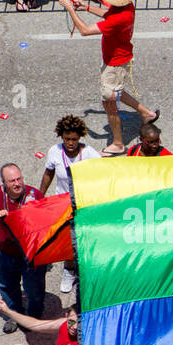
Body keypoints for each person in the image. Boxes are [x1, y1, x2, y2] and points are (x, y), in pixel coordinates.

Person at [59, 0, 160, 157]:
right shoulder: (126, 6)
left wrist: (70, 9)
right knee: (117, 91)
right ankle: (146, 114)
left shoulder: (120, 18)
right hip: (118, 59)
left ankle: (118, 143)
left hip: (115, 63)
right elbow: (108, 14)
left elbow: (85, 30)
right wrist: (86, 7)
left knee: (110, 102)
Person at [40, 115, 101, 294]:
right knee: (68, 240)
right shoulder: (54, 152)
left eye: (74, 139)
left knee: (84, 239)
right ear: (62, 137)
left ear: (80, 138)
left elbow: (102, 174)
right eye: (67, 139)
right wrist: (39, 197)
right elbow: (48, 174)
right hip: (63, 204)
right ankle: (69, 270)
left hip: (85, 203)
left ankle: (86, 272)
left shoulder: (90, 153)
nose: (70, 143)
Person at [0, 164, 45, 330]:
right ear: (3, 182)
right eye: (12, 181)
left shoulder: (34, 195)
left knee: (34, 289)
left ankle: (33, 318)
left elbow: (47, 222)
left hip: (31, 253)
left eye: (19, 179)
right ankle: (13, 315)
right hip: (5, 252)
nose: (17, 183)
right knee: (7, 287)